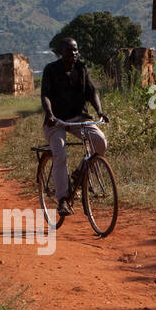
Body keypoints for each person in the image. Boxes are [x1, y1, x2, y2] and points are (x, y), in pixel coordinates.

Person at [40, 37, 109, 218]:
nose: (74, 53)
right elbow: (45, 95)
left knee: (100, 141)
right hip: (57, 121)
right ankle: (62, 199)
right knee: (60, 153)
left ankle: (79, 172)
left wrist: (100, 112)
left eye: (76, 50)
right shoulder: (51, 70)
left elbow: (92, 92)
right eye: (70, 50)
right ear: (61, 52)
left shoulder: (81, 68)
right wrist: (50, 114)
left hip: (79, 117)